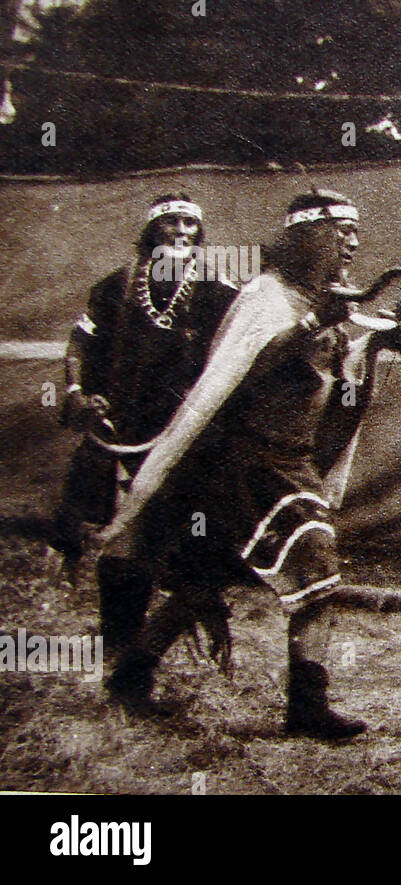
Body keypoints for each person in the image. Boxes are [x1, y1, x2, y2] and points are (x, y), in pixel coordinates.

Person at [97, 190, 401, 739]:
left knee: (207, 580)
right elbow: (242, 373)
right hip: (251, 462)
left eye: (355, 231)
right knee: (318, 565)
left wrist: (379, 339)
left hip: (285, 459)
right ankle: (307, 706)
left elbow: (327, 373)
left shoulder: (316, 299)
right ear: (310, 237)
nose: (353, 241)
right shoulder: (266, 297)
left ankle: (132, 675)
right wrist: (310, 325)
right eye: (341, 231)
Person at [52, 194, 238, 652]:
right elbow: (80, 344)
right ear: (153, 232)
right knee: (125, 536)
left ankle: (181, 639)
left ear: (199, 233)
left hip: (191, 433)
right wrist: (78, 394)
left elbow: (252, 343)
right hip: (129, 433)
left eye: (189, 224)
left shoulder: (218, 288)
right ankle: (120, 643)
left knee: (195, 535)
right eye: (170, 223)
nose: (180, 231)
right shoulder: (117, 286)